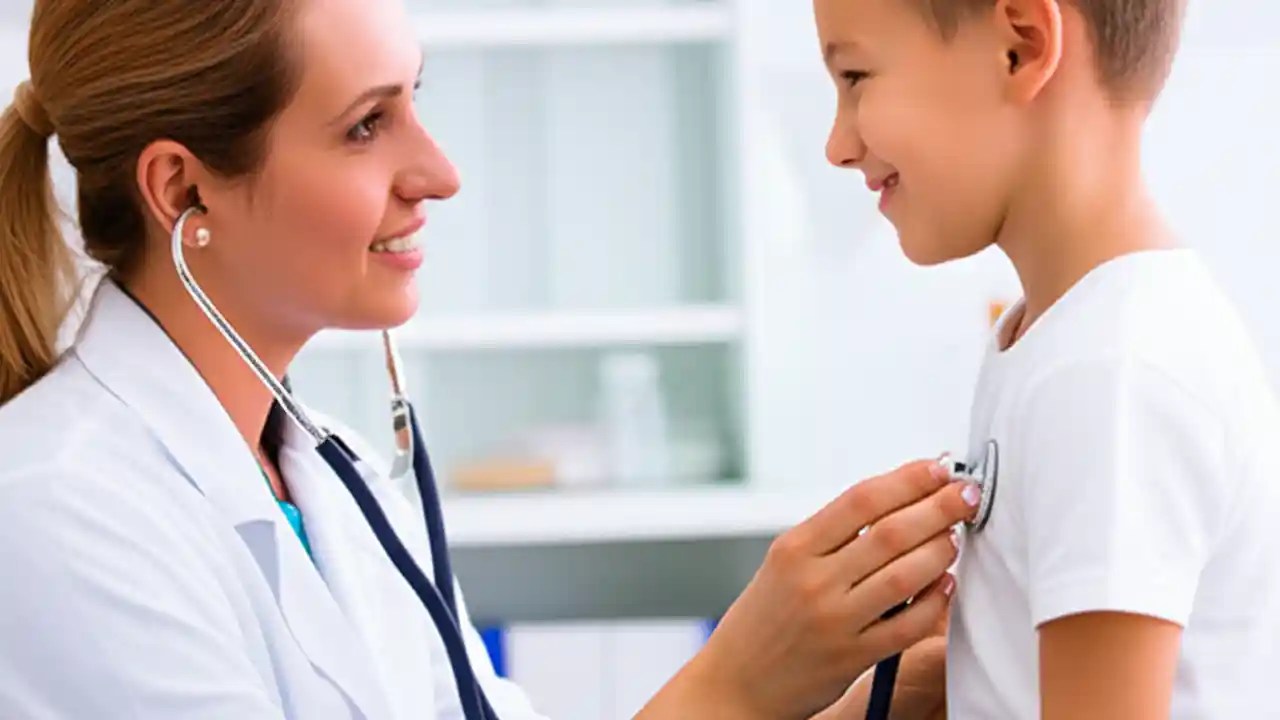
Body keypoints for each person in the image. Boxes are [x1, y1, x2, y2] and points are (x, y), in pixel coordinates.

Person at [0, 1, 983, 718]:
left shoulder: (329, 475)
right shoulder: (52, 513)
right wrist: (732, 685)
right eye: (365, 126)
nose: (438, 172)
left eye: (412, 103)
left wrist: (847, 704)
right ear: (182, 192)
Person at [817, 0, 1280, 718]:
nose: (838, 144)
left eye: (855, 76)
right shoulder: (1063, 341)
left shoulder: (1111, 371)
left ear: (1021, 47)